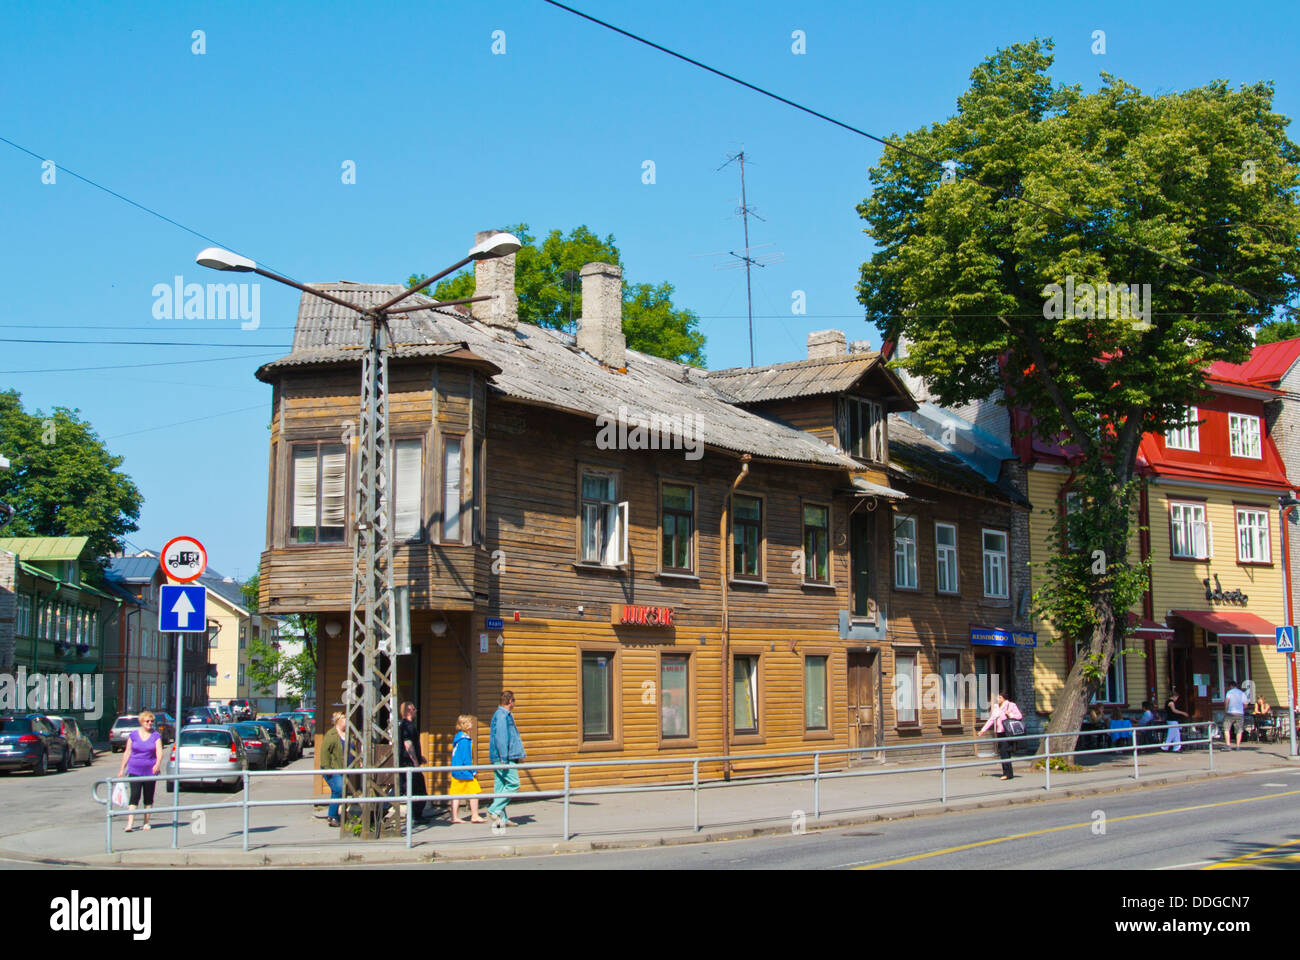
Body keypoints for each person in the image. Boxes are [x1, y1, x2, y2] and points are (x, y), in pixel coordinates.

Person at [117, 709, 163, 832]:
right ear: (142, 722)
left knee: (148, 796)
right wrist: (122, 769)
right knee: (134, 796)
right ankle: (130, 824)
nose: (150, 723)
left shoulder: (156, 736)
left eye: (152, 721)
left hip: (150, 770)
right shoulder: (133, 735)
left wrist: (158, 764)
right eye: (147, 721)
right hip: (135, 770)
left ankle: (146, 822)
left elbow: (159, 752)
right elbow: (127, 752)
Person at [487, 690, 526, 827]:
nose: (515, 703)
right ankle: (493, 809)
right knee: (514, 783)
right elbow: (502, 738)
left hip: (500, 756)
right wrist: (504, 758)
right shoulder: (503, 715)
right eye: (514, 700)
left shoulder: (500, 715)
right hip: (504, 757)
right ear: (510, 701)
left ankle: (501, 819)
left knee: (501, 787)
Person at [977, 691, 1023, 780]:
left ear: (1004, 698)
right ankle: (1008, 773)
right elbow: (991, 719)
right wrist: (983, 730)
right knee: (1003, 753)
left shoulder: (1011, 705)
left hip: (1008, 732)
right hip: (999, 732)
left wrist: (1010, 714)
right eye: (997, 698)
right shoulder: (996, 707)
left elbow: (1019, 716)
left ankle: (1007, 773)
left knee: (1004, 752)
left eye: (1000, 698)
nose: (998, 699)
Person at [449, 715, 486, 824]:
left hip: (456, 769)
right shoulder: (465, 740)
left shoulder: (458, 737)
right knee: (474, 791)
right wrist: (472, 770)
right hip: (464, 771)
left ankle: (454, 816)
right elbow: (466, 757)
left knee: (456, 793)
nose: (472, 724)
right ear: (465, 725)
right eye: (470, 723)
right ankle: (475, 815)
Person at [398, 701, 431, 819]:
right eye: (413, 709)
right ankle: (416, 816)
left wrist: (419, 756)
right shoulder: (408, 726)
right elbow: (408, 745)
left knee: (408, 789)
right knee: (418, 790)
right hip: (409, 764)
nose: (416, 711)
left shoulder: (402, 725)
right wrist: (416, 762)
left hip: (406, 762)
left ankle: (414, 815)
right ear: (408, 711)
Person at [320, 712, 347, 828]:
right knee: (338, 789)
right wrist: (327, 768)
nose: (346, 721)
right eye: (344, 719)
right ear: (338, 721)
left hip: (345, 768)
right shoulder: (331, 735)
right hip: (332, 768)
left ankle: (339, 815)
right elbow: (324, 752)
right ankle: (332, 816)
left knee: (341, 791)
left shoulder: (348, 734)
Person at [1223, 679, 1248, 750]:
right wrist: (1240, 708)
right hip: (1239, 713)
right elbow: (1246, 705)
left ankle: (1228, 745)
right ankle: (1238, 746)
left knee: (1226, 729)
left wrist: (1225, 711)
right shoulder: (1242, 693)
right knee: (1239, 730)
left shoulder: (1229, 693)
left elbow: (1226, 702)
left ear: (1230, 686)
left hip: (1230, 712)